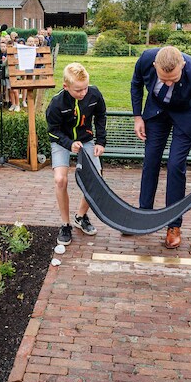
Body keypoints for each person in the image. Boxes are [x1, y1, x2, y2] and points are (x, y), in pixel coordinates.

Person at [130, 46, 191, 249]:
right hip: (156, 113)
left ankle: (173, 225)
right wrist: (137, 116)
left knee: (176, 165)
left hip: (185, 116)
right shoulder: (146, 59)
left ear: (182, 65)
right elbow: (136, 83)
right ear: (154, 66)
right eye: (163, 79)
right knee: (151, 160)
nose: (168, 83)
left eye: (173, 79)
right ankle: (143, 216)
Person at [46, 62, 106, 246]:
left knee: (96, 178)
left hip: (85, 140)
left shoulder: (94, 94)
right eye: (78, 90)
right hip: (62, 142)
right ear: (66, 86)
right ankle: (65, 225)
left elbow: (101, 116)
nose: (83, 93)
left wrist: (100, 142)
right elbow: (52, 132)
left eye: (85, 88)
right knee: (60, 180)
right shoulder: (57, 103)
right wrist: (69, 144)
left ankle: (80, 216)